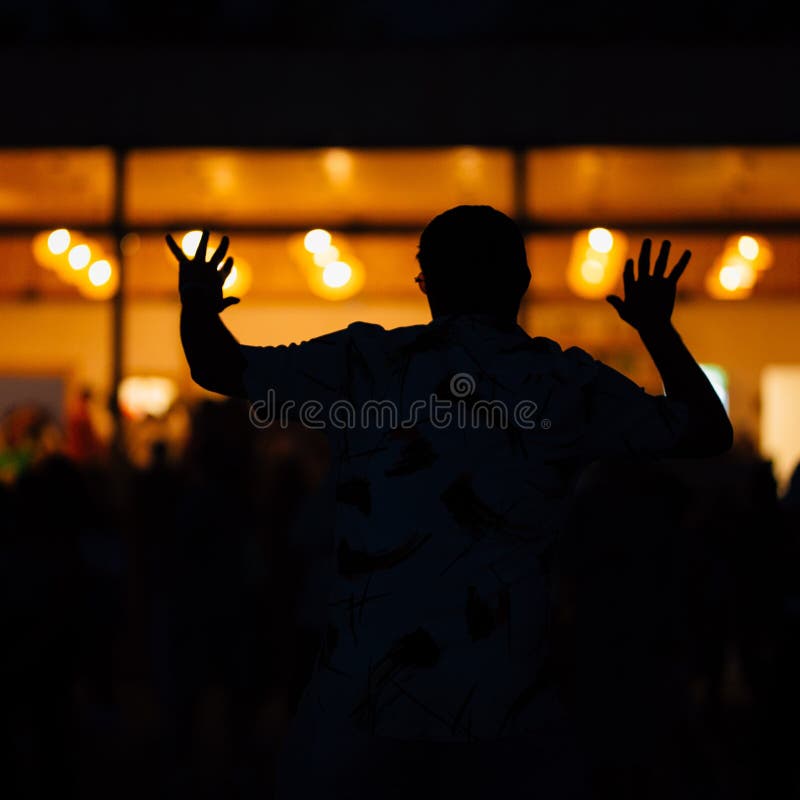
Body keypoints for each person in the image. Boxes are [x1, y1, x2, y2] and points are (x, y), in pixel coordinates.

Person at [166, 206, 733, 799]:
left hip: (361, 700)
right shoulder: (565, 384)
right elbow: (704, 432)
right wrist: (655, 328)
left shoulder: (365, 366)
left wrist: (200, 305)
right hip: (505, 702)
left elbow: (218, 365)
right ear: (522, 281)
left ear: (427, 284)